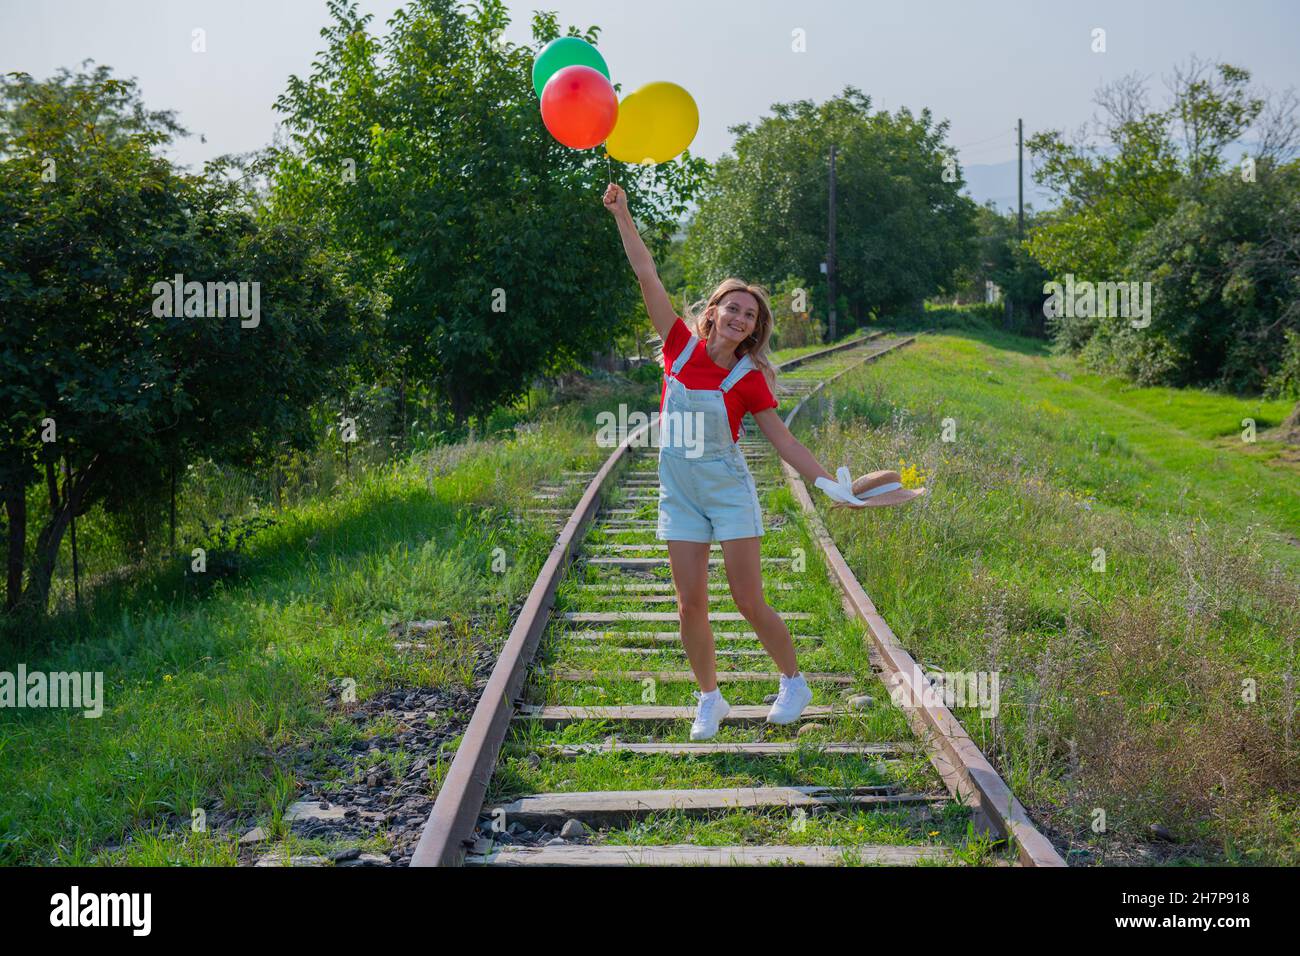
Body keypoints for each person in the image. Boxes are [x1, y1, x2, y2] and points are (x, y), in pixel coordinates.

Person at [603, 181, 881, 741]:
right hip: (678, 490)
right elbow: (647, 275)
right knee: (689, 605)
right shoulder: (676, 344)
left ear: (755, 329)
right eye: (731, 308)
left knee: (748, 600)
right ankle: (710, 699)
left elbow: (784, 442)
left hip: (728, 493)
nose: (738, 318)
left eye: (748, 315)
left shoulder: (750, 379)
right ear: (712, 312)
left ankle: (793, 682)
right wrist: (622, 215)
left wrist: (830, 484)